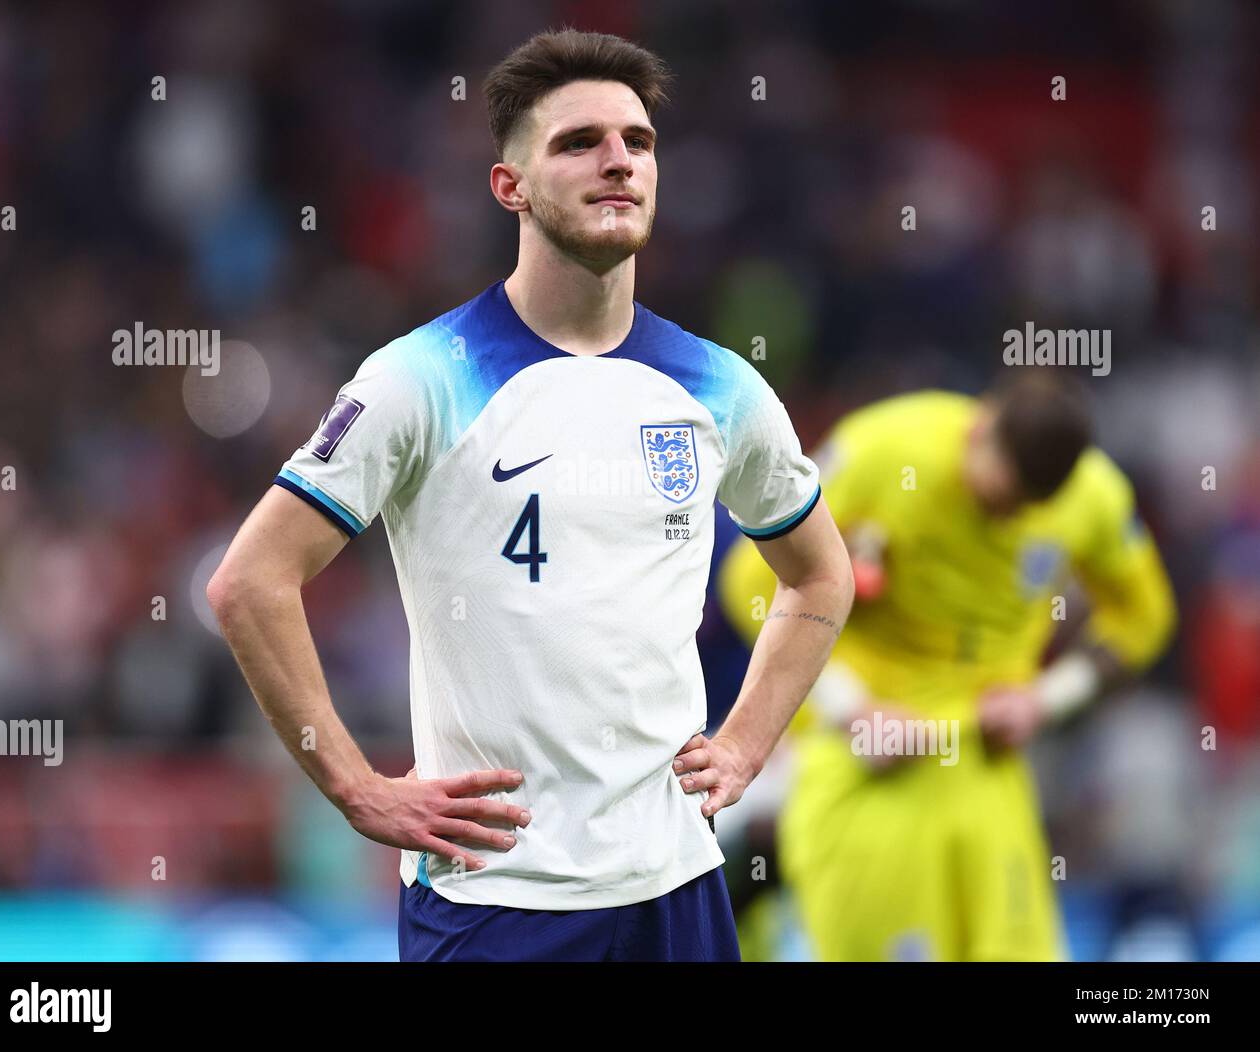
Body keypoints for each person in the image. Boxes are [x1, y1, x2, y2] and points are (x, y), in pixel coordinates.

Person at [206, 28, 854, 962]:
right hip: (494, 899)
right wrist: (357, 788)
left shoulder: (722, 388)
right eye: (578, 142)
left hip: (676, 887)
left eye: (638, 142)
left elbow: (819, 576)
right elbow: (250, 584)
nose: (618, 162)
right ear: (511, 187)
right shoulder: (419, 378)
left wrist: (747, 741)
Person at [719, 374, 1177, 961]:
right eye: (996, 499)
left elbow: (1145, 617)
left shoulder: (1093, 496)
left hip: (986, 767)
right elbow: (750, 585)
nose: (1005, 519)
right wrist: (849, 708)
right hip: (863, 771)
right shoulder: (885, 450)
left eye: (1025, 510)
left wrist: (1047, 699)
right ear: (980, 429)